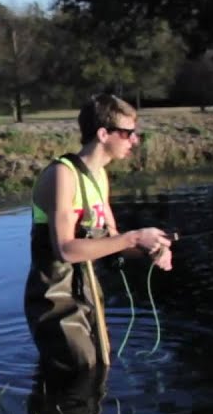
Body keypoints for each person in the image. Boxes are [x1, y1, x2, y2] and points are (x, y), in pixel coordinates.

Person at [24, 93, 172, 374]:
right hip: (55, 297)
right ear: (103, 134)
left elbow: (111, 239)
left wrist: (151, 248)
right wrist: (135, 236)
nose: (134, 141)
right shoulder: (63, 175)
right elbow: (65, 250)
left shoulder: (99, 175)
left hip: (88, 291)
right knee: (81, 368)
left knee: (99, 364)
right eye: (127, 133)